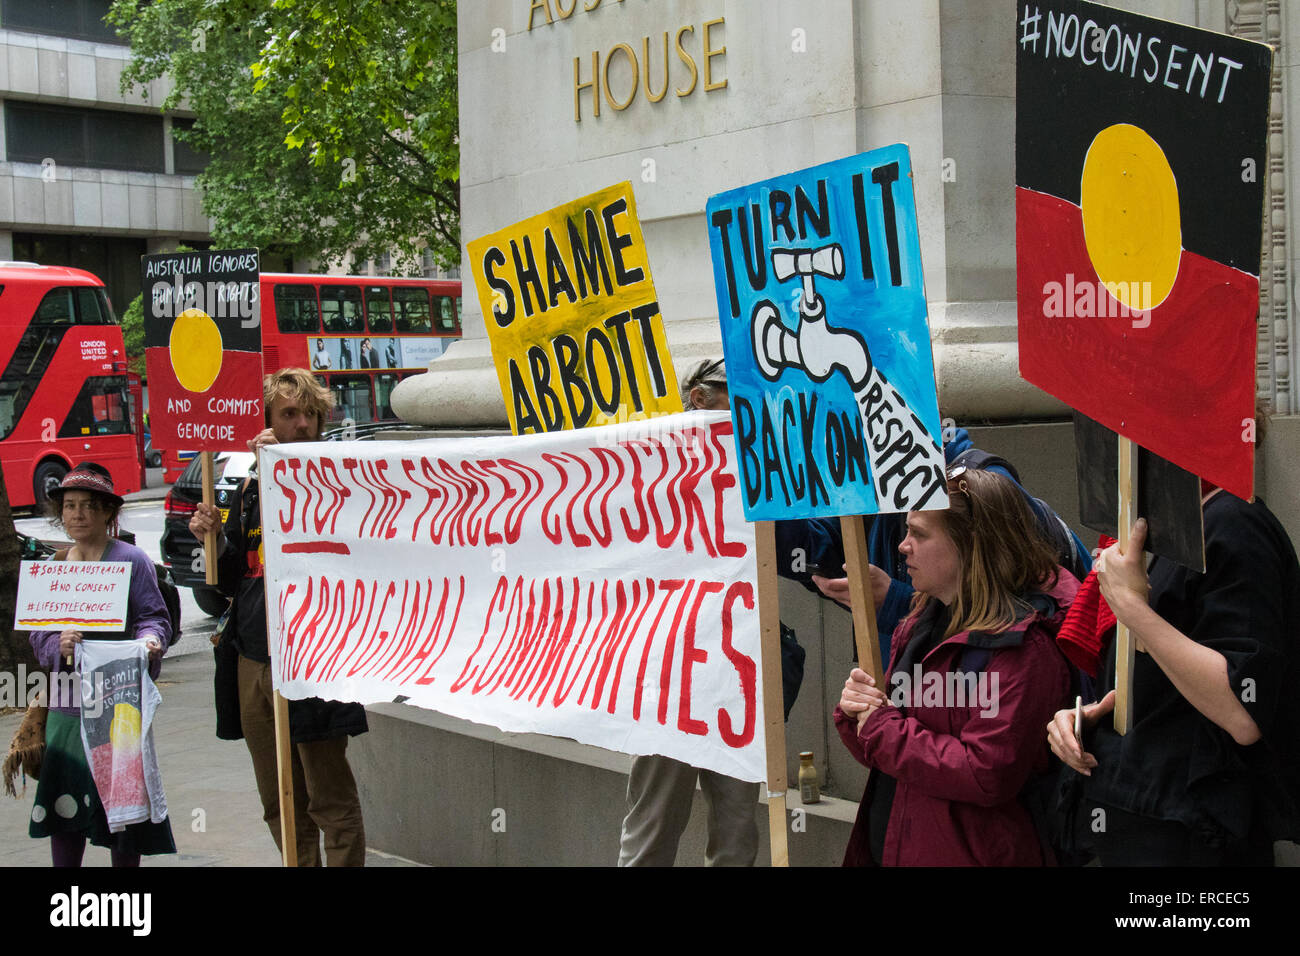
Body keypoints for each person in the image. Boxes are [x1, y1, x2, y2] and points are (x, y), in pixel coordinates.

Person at [1047, 461, 1300, 865]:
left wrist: (1132, 607)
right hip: (1137, 811)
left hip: (1192, 828)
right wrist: (1084, 719)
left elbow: (1241, 710)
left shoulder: (1233, 521)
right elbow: (1158, 684)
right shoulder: (1159, 532)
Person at [834, 467, 1077, 865]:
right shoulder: (920, 623)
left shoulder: (1024, 649)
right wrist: (855, 712)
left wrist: (881, 727)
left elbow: (987, 773)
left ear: (972, 544)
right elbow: (882, 750)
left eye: (920, 534)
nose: (902, 546)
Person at [189, 368, 368, 866]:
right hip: (254, 657)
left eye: (311, 414)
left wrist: (277, 474)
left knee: (329, 798)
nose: (303, 424)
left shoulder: (337, 477)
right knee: (278, 801)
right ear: (267, 420)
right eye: (289, 414)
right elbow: (228, 581)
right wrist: (214, 538)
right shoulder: (248, 489)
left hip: (315, 659)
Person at [617, 357, 760, 866]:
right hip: (670, 677)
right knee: (655, 823)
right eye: (734, 394)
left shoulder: (753, 465)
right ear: (700, 398)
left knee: (738, 828)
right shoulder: (654, 468)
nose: (748, 406)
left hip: (736, 673)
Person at [28, 464, 175, 867]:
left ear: (108, 513)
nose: (78, 515)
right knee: (65, 812)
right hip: (66, 708)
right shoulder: (54, 565)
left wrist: (150, 641)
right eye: (70, 506)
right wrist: (56, 642)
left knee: (122, 814)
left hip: (118, 704)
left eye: (89, 506)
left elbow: (154, 617)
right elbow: (37, 634)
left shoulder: (131, 561)